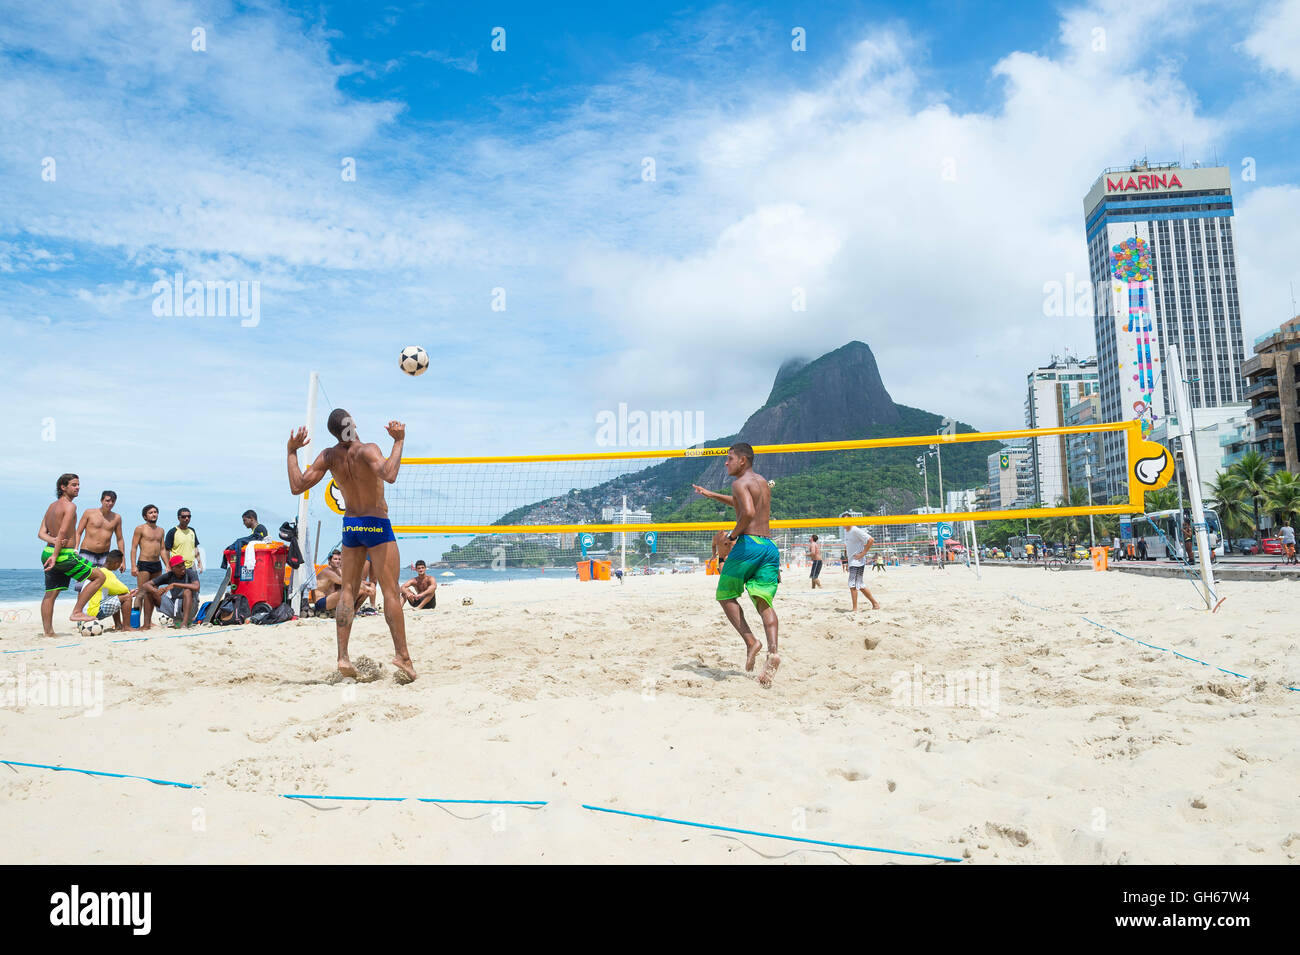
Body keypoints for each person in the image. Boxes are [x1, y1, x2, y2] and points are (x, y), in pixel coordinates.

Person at [287, 410, 416, 682]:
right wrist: (399, 441)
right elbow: (390, 474)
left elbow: (297, 486)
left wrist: (291, 452)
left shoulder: (329, 456)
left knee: (348, 590)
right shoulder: (368, 450)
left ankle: (342, 656)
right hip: (376, 523)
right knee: (391, 592)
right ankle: (402, 656)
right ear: (352, 425)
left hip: (352, 526)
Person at [692, 442, 781, 687]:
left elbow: (748, 513)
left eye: (729, 458)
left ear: (743, 460)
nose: (725, 462)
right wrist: (710, 494)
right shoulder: (761, 482)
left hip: (748, 545)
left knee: (725, 595)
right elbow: (740, 503)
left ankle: (751, 641)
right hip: (769, 547)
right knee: (764, 601)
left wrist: (732, 536)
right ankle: (773, 652)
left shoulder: (739, 482)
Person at [38, 473, 107, 636]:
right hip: (63, 555)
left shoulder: (51, 506)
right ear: (63, 487)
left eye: (78, 485)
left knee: (51, 593)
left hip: (47, 552)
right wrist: (56, 555)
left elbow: (41, 533)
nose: (78, 488)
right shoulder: (70, 506)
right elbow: (63, 530)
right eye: (74, 485)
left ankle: (48, 632)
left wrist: (54, 543)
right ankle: (77, 611)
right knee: (99, 577)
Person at [74, 490, 126, 586]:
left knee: (104, 585)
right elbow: (78, 532)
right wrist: (75, 549)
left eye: (113, 501)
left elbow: (120, 539)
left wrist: (122, 560)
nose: (110, 503)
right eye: (107, 500)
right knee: (82, 585)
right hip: (87, 552)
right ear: (101, 500)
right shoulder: (89, 513)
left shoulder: (117, 518)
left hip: (105, 556)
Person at [142, 555, 201, 627]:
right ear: (173, 568)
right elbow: (145, 585)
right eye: (179, 566)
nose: (182, 567)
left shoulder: (190, 573)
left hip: (190, 608)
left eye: (183, 565)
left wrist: (175, 584)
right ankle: (146, 625)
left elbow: (196, 586)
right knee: (149, 593)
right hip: (174, 607)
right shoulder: (169, 575)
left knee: (187, 591)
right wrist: (156, 591)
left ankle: (184, 623)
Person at [85, 550, 138, 631]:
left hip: (88, 611)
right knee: (127, 597)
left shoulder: (98, 570)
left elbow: (109, 592)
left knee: (115, 596)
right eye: (120, 564)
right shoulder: (107, 573)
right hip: (95, 611)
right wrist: (130, 592)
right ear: (117, 563)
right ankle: (126, 626)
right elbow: (123, 589)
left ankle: (118, 625)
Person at [313, 549, 377, 615]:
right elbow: (346, 581)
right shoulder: (328, 572)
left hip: (330, 599)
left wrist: (368, 586)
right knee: (348, 589)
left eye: (339, 559)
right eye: (335, 559)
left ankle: (354, 611)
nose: (338, 561)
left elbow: (351, 578)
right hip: (321, 603)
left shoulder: (337, 570)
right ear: (329, 560)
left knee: (364, 591)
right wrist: (366, 587)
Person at [130, 504, 166, 617]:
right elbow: (134, 548)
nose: (154, 514)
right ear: (145, 516)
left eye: (155, 512)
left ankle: (148, 621)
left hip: (157, 564)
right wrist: (133, 566)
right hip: (144, 564)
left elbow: (163, 549)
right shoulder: (140, 529)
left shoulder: (161, 530)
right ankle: (135, 620)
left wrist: (168, 565)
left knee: (152, 594)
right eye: (150, 512)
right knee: (141, 593)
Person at [841, 512, 882, 611]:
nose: (843, 523)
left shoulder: (855, 530)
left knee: (852, 584)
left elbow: (871, 540)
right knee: (860, 585)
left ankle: (855, 609)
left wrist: (862, 554)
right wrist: (847, 562)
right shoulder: (846, 532)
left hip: (857, 562)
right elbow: (849, 548)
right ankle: (875, 604)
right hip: (852, 562)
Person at [164, 508, 202, 574]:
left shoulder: (192, 531)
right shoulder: (172, 532)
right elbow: (167, 551)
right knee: (178, 584)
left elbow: (195, 548)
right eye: (184, 517)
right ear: (179, 518)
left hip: (191, 566)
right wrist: (168, 566)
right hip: (177, 566)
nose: (187, 518)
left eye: (189, 516)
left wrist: (199, 562)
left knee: (196, 584)